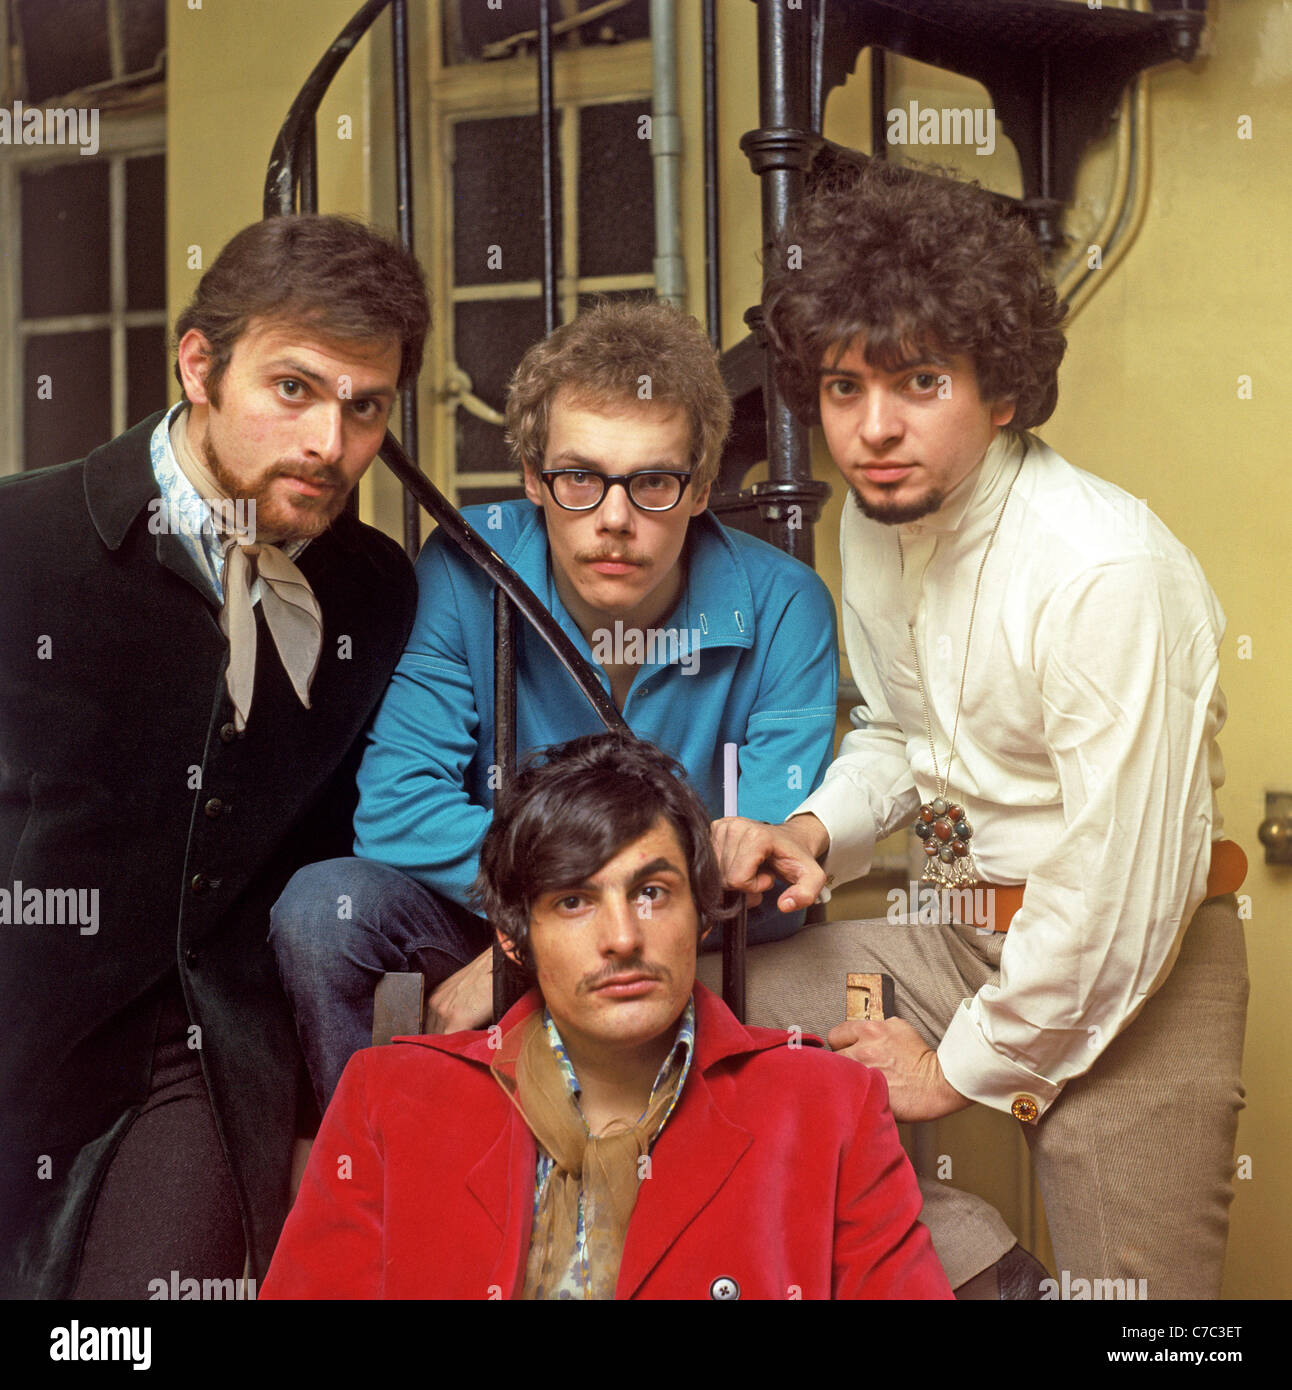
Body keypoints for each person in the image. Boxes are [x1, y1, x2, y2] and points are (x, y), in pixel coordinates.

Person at [708, 162, 1248, 1299]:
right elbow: (903, 735)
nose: (873, 429)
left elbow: (1111, 898)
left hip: (1135, 960)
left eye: (918, 381)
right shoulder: (870, 524)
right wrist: (812, 830)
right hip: (952, 933)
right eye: (844, 388)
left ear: (1000, 390)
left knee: (1138, 1315)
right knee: (685, 1008)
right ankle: (987, 1278)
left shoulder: (1102, 571)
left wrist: (953, 1068)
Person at [0, 214, 431, 1299]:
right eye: (294, 389)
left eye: (364, 406)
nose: (328, 445)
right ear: (199, 364)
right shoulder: (20, 542)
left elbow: (343, 837)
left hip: (200, 1057)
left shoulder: (375, 592)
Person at [270, 299, 838, 1109]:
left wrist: (534, 950)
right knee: (324, 909)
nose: (613, 520)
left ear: (702, 486)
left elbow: (765, 885)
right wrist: (543, 933)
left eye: (652, 482)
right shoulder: (468, 565)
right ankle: (376, 1188)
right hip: (499, 915)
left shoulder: (786, 604)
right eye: (579, 478)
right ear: (534, 478)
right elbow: (396, 815)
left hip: (681, 946)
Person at [260, 734, 952, 1300]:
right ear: (511, 936)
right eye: (573, 902)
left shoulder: (827, 1106)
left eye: (652, 892)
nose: (622, 936)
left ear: (700, 912)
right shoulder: (391, 1097)